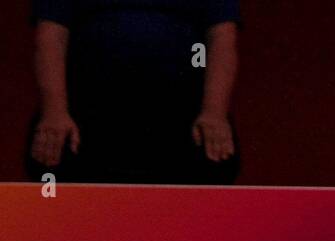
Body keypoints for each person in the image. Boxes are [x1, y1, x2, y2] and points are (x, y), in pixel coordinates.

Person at [28, 0, 240, 184]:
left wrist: (214, 113)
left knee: (214, 160)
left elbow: (221, 37)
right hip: (91, 110)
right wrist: (54, 113)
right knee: (53, 161)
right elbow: (51, 35)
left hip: (178, 110)